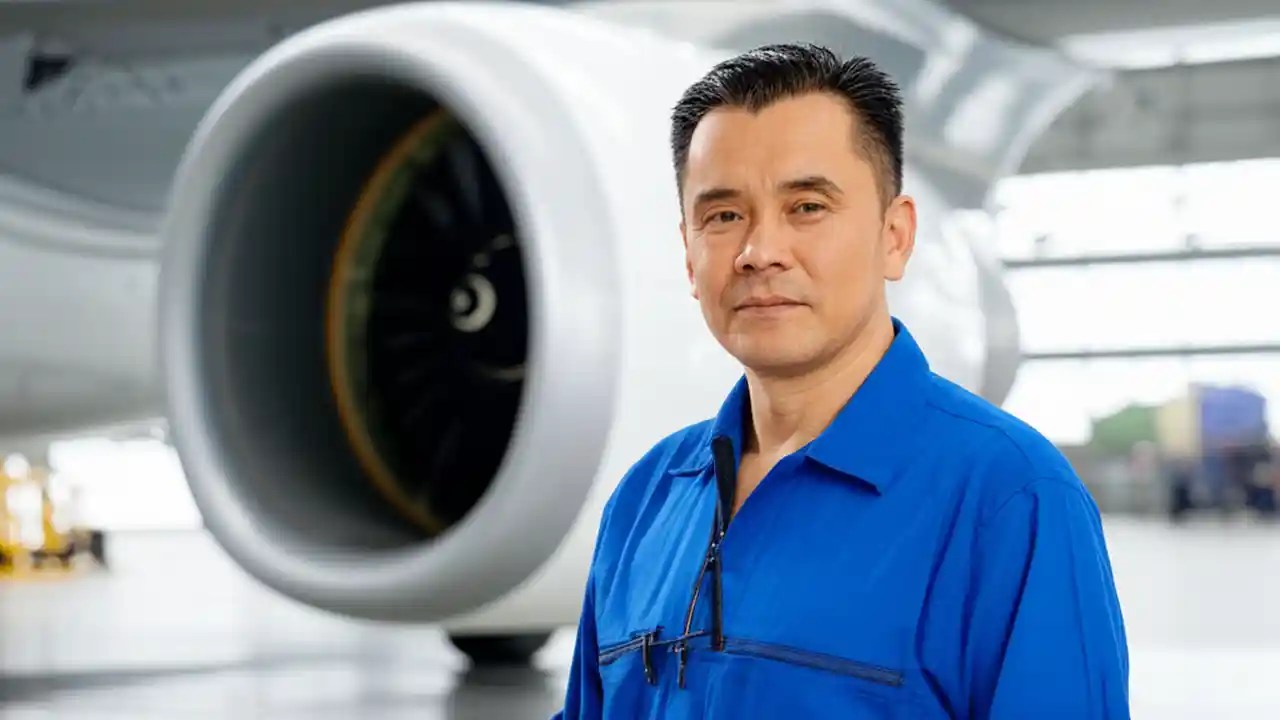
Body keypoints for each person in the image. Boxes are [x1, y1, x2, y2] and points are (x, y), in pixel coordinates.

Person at [553, 43, 1129, 719]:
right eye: (723, 215)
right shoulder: (647, 500)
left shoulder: (1009, 500)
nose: (759, 252)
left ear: (895, 235)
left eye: (807, 207)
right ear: (688, 253)